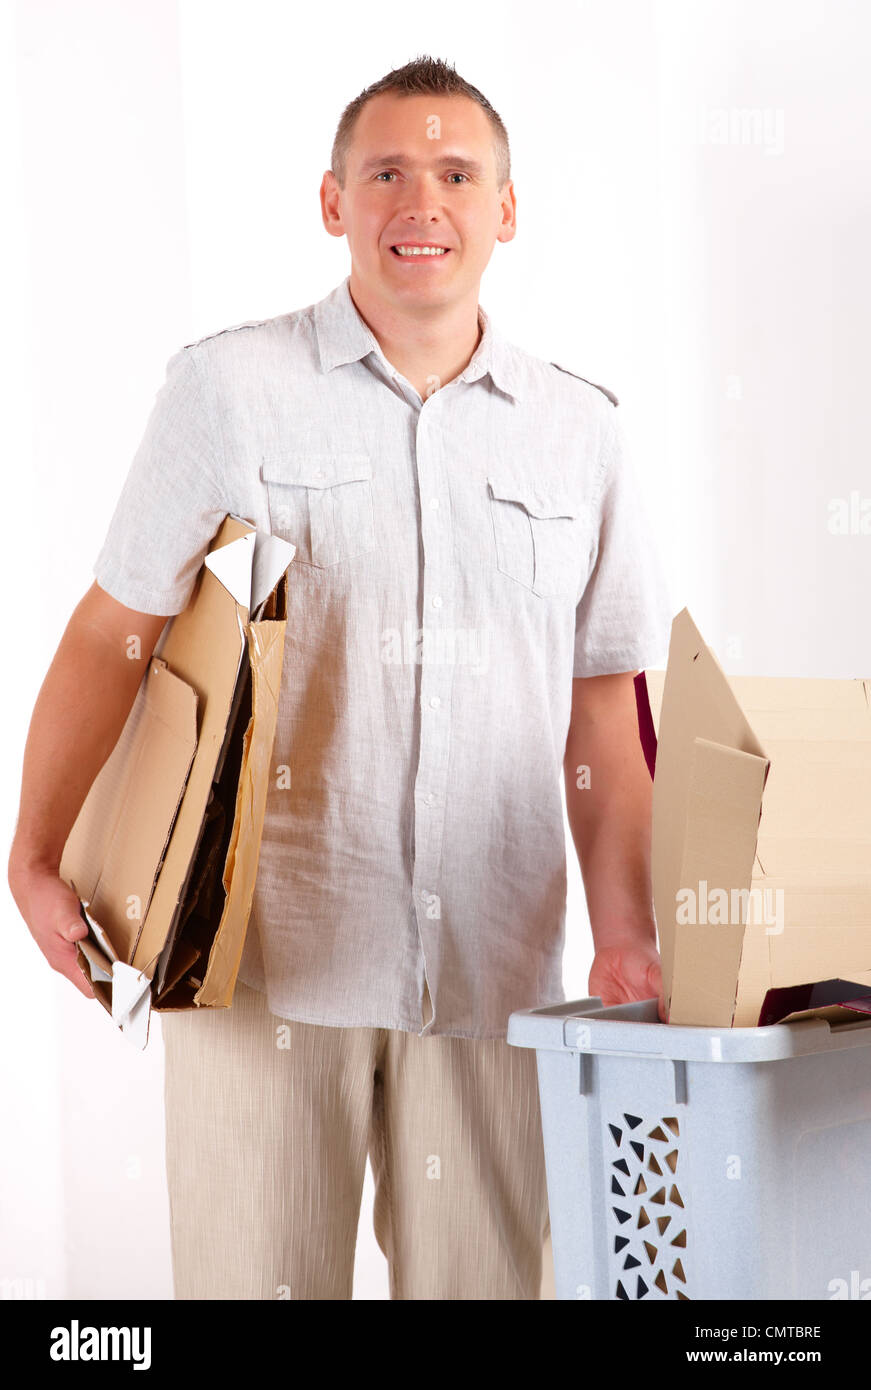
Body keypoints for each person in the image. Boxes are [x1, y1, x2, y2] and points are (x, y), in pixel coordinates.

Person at [8, 54, 672, 1300]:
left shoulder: (582, 432)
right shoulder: (229, 391)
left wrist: (625, 930)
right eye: (387, 174)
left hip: (493, 968)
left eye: (457, 174)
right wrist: (33, 850)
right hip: (263, 961)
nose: (422, 202)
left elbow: (603, 707)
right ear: (334, 204)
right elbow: (117, 633)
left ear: (506, 210)